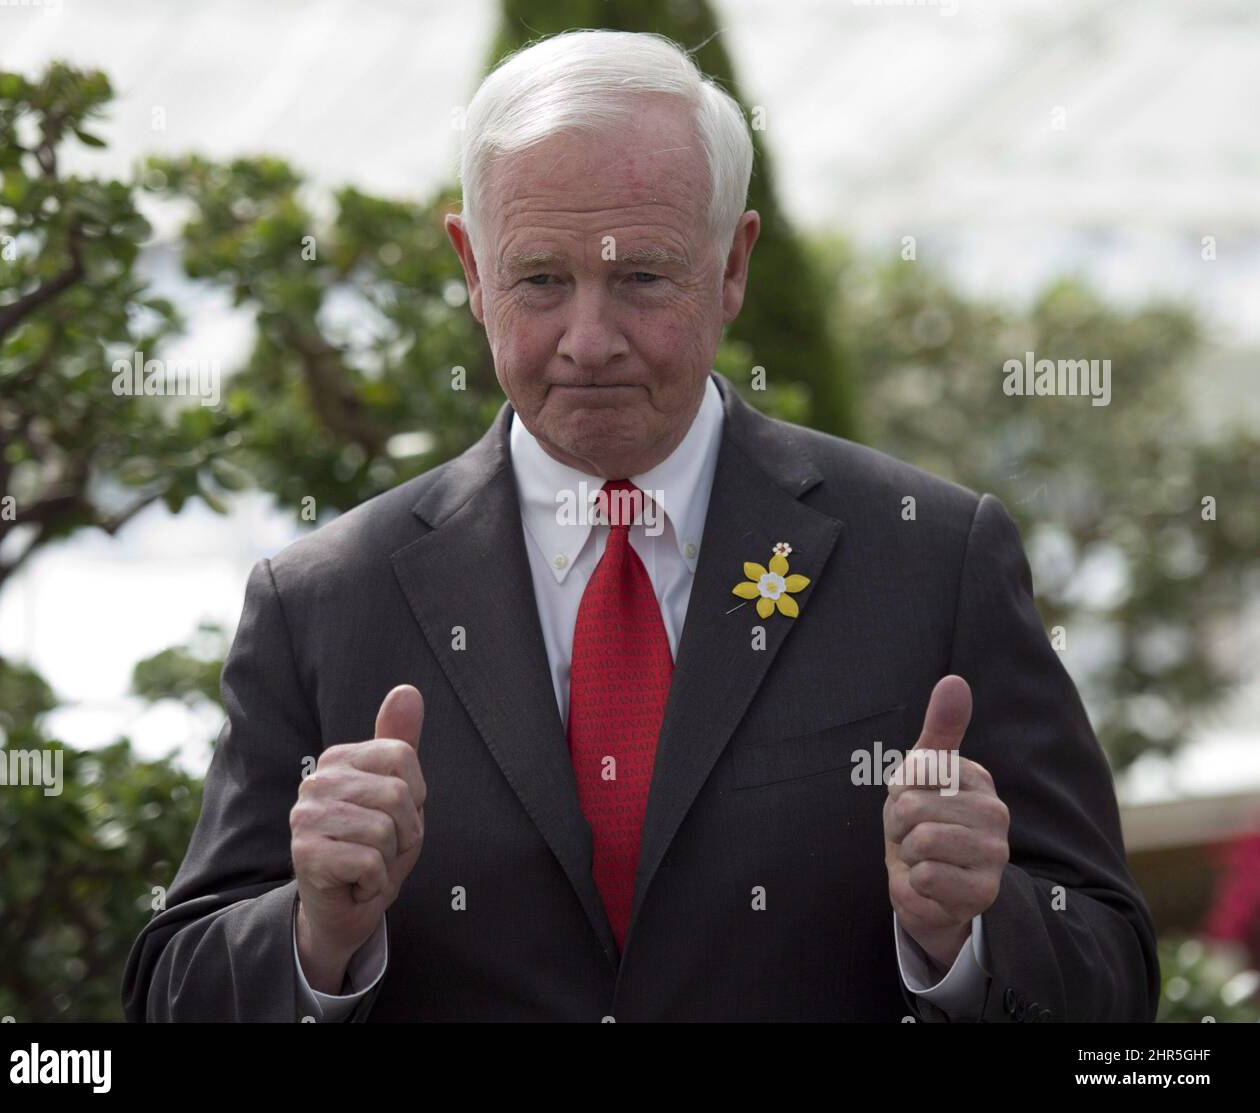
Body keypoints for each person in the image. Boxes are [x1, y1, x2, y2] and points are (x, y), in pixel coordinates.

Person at [122, 29, 1158, 1022]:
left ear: (734, 265)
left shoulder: (930, 558)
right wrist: (317, 933)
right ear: (471, 272)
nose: (589, 340)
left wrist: (969, 937)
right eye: (539, 279)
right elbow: (173, 992)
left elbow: (1111, 974)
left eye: (642, 278)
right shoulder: (322, 600)